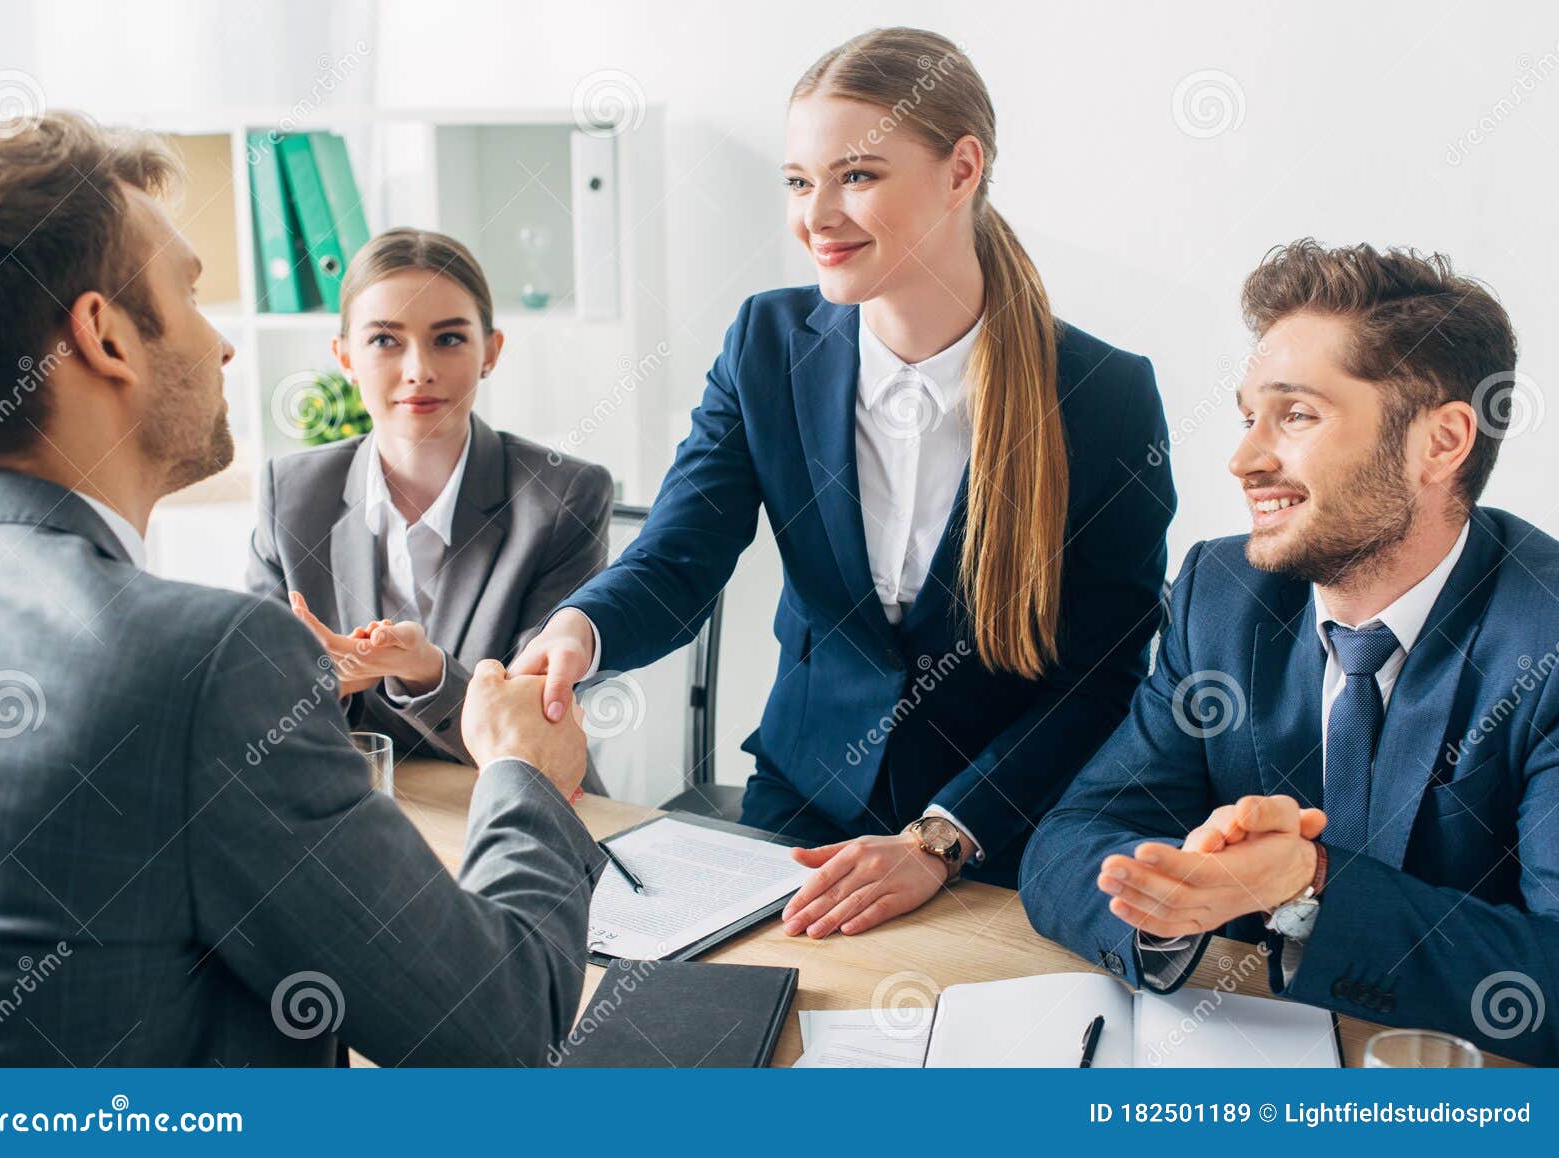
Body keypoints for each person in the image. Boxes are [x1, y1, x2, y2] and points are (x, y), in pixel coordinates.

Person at [0, 111, 603, 1066]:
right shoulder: (205, 658)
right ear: (104, 336)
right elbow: (499, 1024)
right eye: (186, 291)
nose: (223, 345)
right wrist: (523, 772)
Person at [512, 27, 1175, 937]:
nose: (815, 215)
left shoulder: (1102, 396)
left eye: (856, 175)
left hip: (1005, 829)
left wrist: (942, 837)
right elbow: (679, 556)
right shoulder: (766, 345)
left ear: (961, 168)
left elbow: (1102, 677)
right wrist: (577, 633)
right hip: (803, 810)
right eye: (798, 181)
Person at [1020, 239, 1559, 1066]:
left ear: (1441, 442)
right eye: (1247, 417)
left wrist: (1308, 885)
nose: (1244, 459)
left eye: (1296, 414)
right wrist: (1171, 897)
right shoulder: (1222, 592)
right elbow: (1075, 836)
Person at [246, 227, 613, 769]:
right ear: (344, 356)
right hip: (354, 811)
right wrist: (331, 686)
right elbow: (255, 710)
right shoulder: (291, 494)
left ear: (491, 351)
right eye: (384, 340)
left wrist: (427, 672)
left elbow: (537, 731)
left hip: (513, 813)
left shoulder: (564, 498)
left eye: (448, 339)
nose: (418, 370)